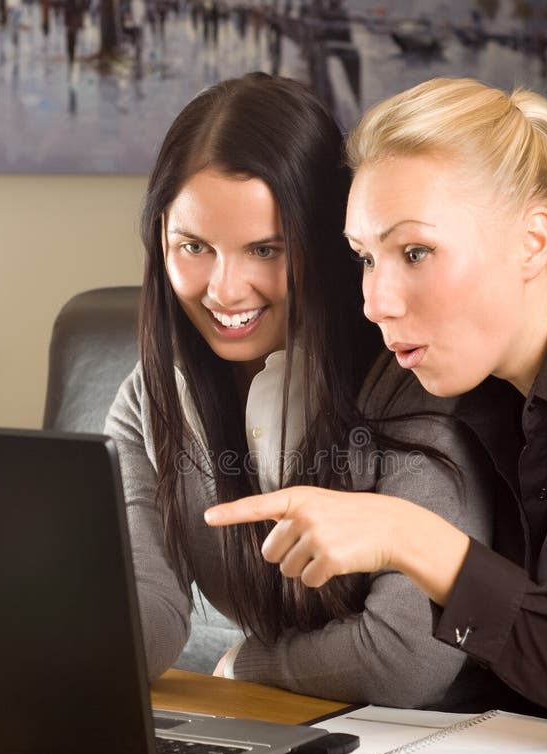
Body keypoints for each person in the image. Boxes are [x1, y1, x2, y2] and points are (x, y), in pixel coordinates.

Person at [204, 76, 547, 754]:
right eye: (365, 258)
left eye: (415, 252)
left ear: (533, 241)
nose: (376, 302)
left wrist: (420, 542)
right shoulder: (453, 392)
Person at [105, 72, 500, 708]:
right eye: (194, 246)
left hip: (450, 741)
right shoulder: (150, 398)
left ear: (328, 245)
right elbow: (143, 612)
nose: (224, 290)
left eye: (266, 249)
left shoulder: (414, 377)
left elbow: (406, 660)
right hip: (286, 733)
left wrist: (249, 666)